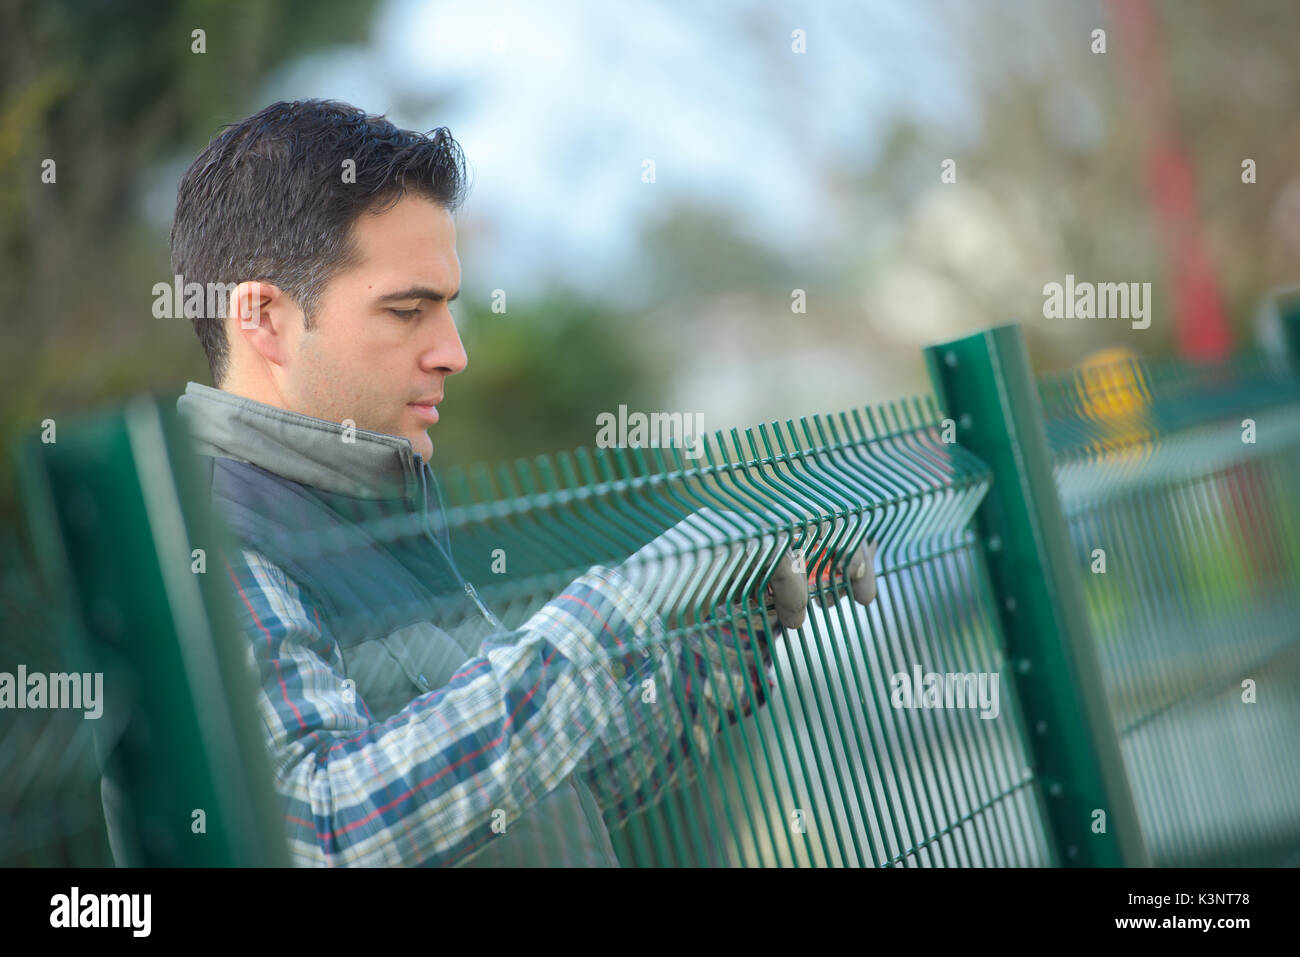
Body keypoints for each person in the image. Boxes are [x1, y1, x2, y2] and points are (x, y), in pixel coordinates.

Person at [146, 99, 864, 867]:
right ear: (262, 320)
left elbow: (547, 789)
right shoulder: (204, 541)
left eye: (447, 308)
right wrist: (623, 606)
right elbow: (325, 832)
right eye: (406, 310)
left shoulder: (378, 508)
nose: (454, 352)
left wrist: (728, 623)